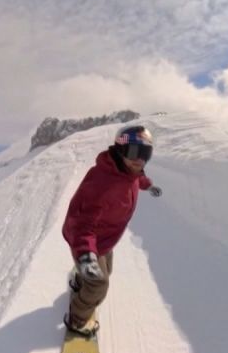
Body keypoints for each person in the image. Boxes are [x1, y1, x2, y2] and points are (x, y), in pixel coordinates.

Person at [61, 124, 162, 336]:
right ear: (119, 150)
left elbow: (138, 178)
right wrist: (86, 254)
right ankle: (77, 318)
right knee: (99, 284)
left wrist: (149, 185)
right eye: (134, 152)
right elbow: (81, 223)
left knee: (104, 272)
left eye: (145, 154)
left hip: (105, 238)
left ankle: (82, 281)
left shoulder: (128, 171)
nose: (139, 160)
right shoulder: (101, 182)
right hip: (87, 240)